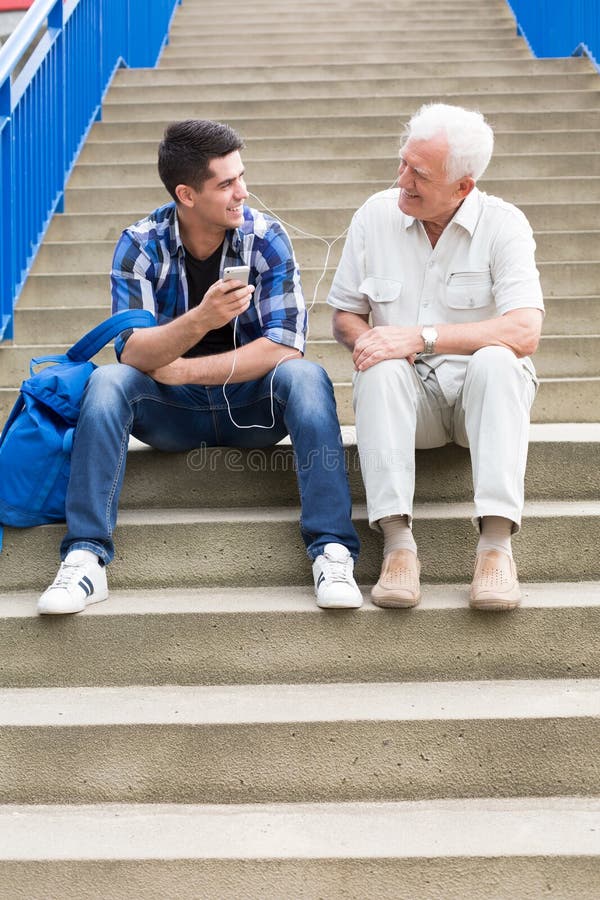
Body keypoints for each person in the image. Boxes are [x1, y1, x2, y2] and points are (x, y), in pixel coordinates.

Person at [37, 119, 361, 615]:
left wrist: (185, 369)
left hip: (250, 406)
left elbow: (283, 347)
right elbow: (134, 354)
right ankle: (85, 557)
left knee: (308, 377)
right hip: (170, 414)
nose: (243, 192)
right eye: (226, 184)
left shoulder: (266, 238)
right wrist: (202, 320)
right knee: (106, 383)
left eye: (242, 176)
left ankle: (332, 550)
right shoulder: (140, 244)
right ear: (186, 194)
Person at [328, 103, 544, 612]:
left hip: (481, 402)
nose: (400, 178)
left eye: (418, 173)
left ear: (462, 187)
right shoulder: (374, 215)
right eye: (403, 162)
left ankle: (495, 549)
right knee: (380, 363)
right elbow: (344, 317)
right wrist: (376, 344)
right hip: (408, 403)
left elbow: (525, 330)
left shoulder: (504, 225)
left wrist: (419, 337)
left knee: (497, 357)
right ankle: (398, 546)